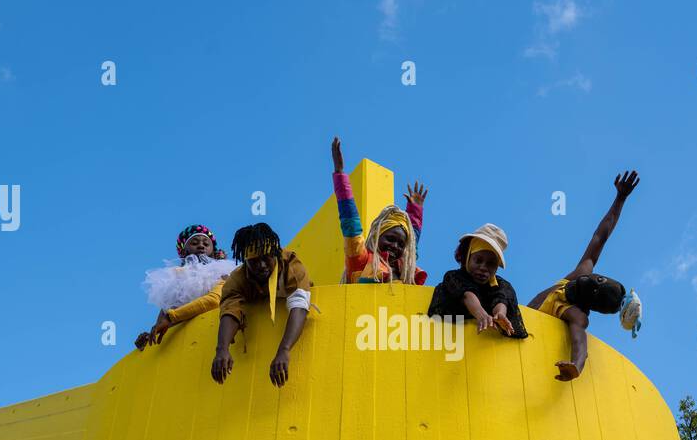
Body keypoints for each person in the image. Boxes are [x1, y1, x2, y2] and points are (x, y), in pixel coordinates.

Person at [527, 169, 641, 381]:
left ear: (591, 304)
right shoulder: (581, 272)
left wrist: (576, 366)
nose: (591, 283)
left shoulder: (576, 314)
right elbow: (601, 236)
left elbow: (580, 343)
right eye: (599, 280)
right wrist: (620, 198)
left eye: (595, 292)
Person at [211, 223, 312, 387]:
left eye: (267, 258)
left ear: (276, 254)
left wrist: (284, 350)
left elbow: (300, 306)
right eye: (254, 261)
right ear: (245, 261)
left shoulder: (291, 265)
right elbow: (230, 310)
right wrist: (222, 349)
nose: (262, 265)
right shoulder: (237, 279)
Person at [331, 136, 428, 284]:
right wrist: (340, 174)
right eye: (390, 239)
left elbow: (412, 241)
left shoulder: (405, 269)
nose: (395, 246)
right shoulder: (361, 261)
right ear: (376, 236)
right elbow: (350, 224)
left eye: (401, 244)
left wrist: (415, 210)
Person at [135, 224, 235, 350]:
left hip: (212, 335)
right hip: (183, 344)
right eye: (194, 243)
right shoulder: (175, 278)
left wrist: (171, 317)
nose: (201, 246)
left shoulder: (222, 271)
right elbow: (164, 318)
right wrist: (150, 336)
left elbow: (214, 300)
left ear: (213, 251)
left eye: (206, 243)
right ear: (184, 251)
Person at [427, 224, 528, 339]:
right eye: (478, 260)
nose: (483, 267)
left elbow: (501, 298)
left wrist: (500, 314)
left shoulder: (502, 286)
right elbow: (467, 294)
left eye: (490, 264)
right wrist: (482, 314)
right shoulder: (454, 277)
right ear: (467, 257)